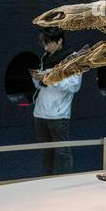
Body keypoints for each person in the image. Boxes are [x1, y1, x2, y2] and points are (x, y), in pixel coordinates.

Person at [31, 27, 82, 176]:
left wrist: (49, 79)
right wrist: (37, 79)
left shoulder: (73, 59)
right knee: (46, 153)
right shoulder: (45, 57)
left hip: (58, 115)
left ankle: (63, 186)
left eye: (48, 43)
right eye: (43, 44)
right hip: (40, 113)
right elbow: (42, 85)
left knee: (62, 153)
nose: (46, 47)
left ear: (59, 41)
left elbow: (74, 86)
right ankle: (46, 184)